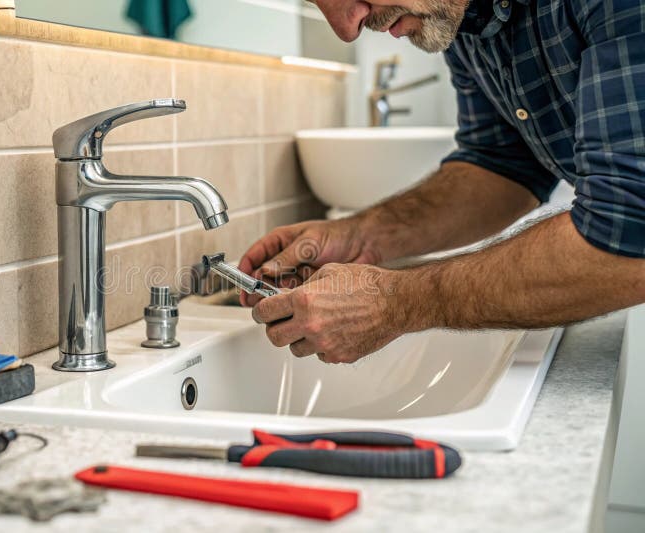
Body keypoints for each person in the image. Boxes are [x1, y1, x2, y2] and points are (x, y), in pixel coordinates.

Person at [239, 0, 645, 364]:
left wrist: (396, 301)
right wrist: (361, 237)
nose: (347, 28)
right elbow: (501, 164)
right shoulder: (465, 21)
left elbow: (630, 232)